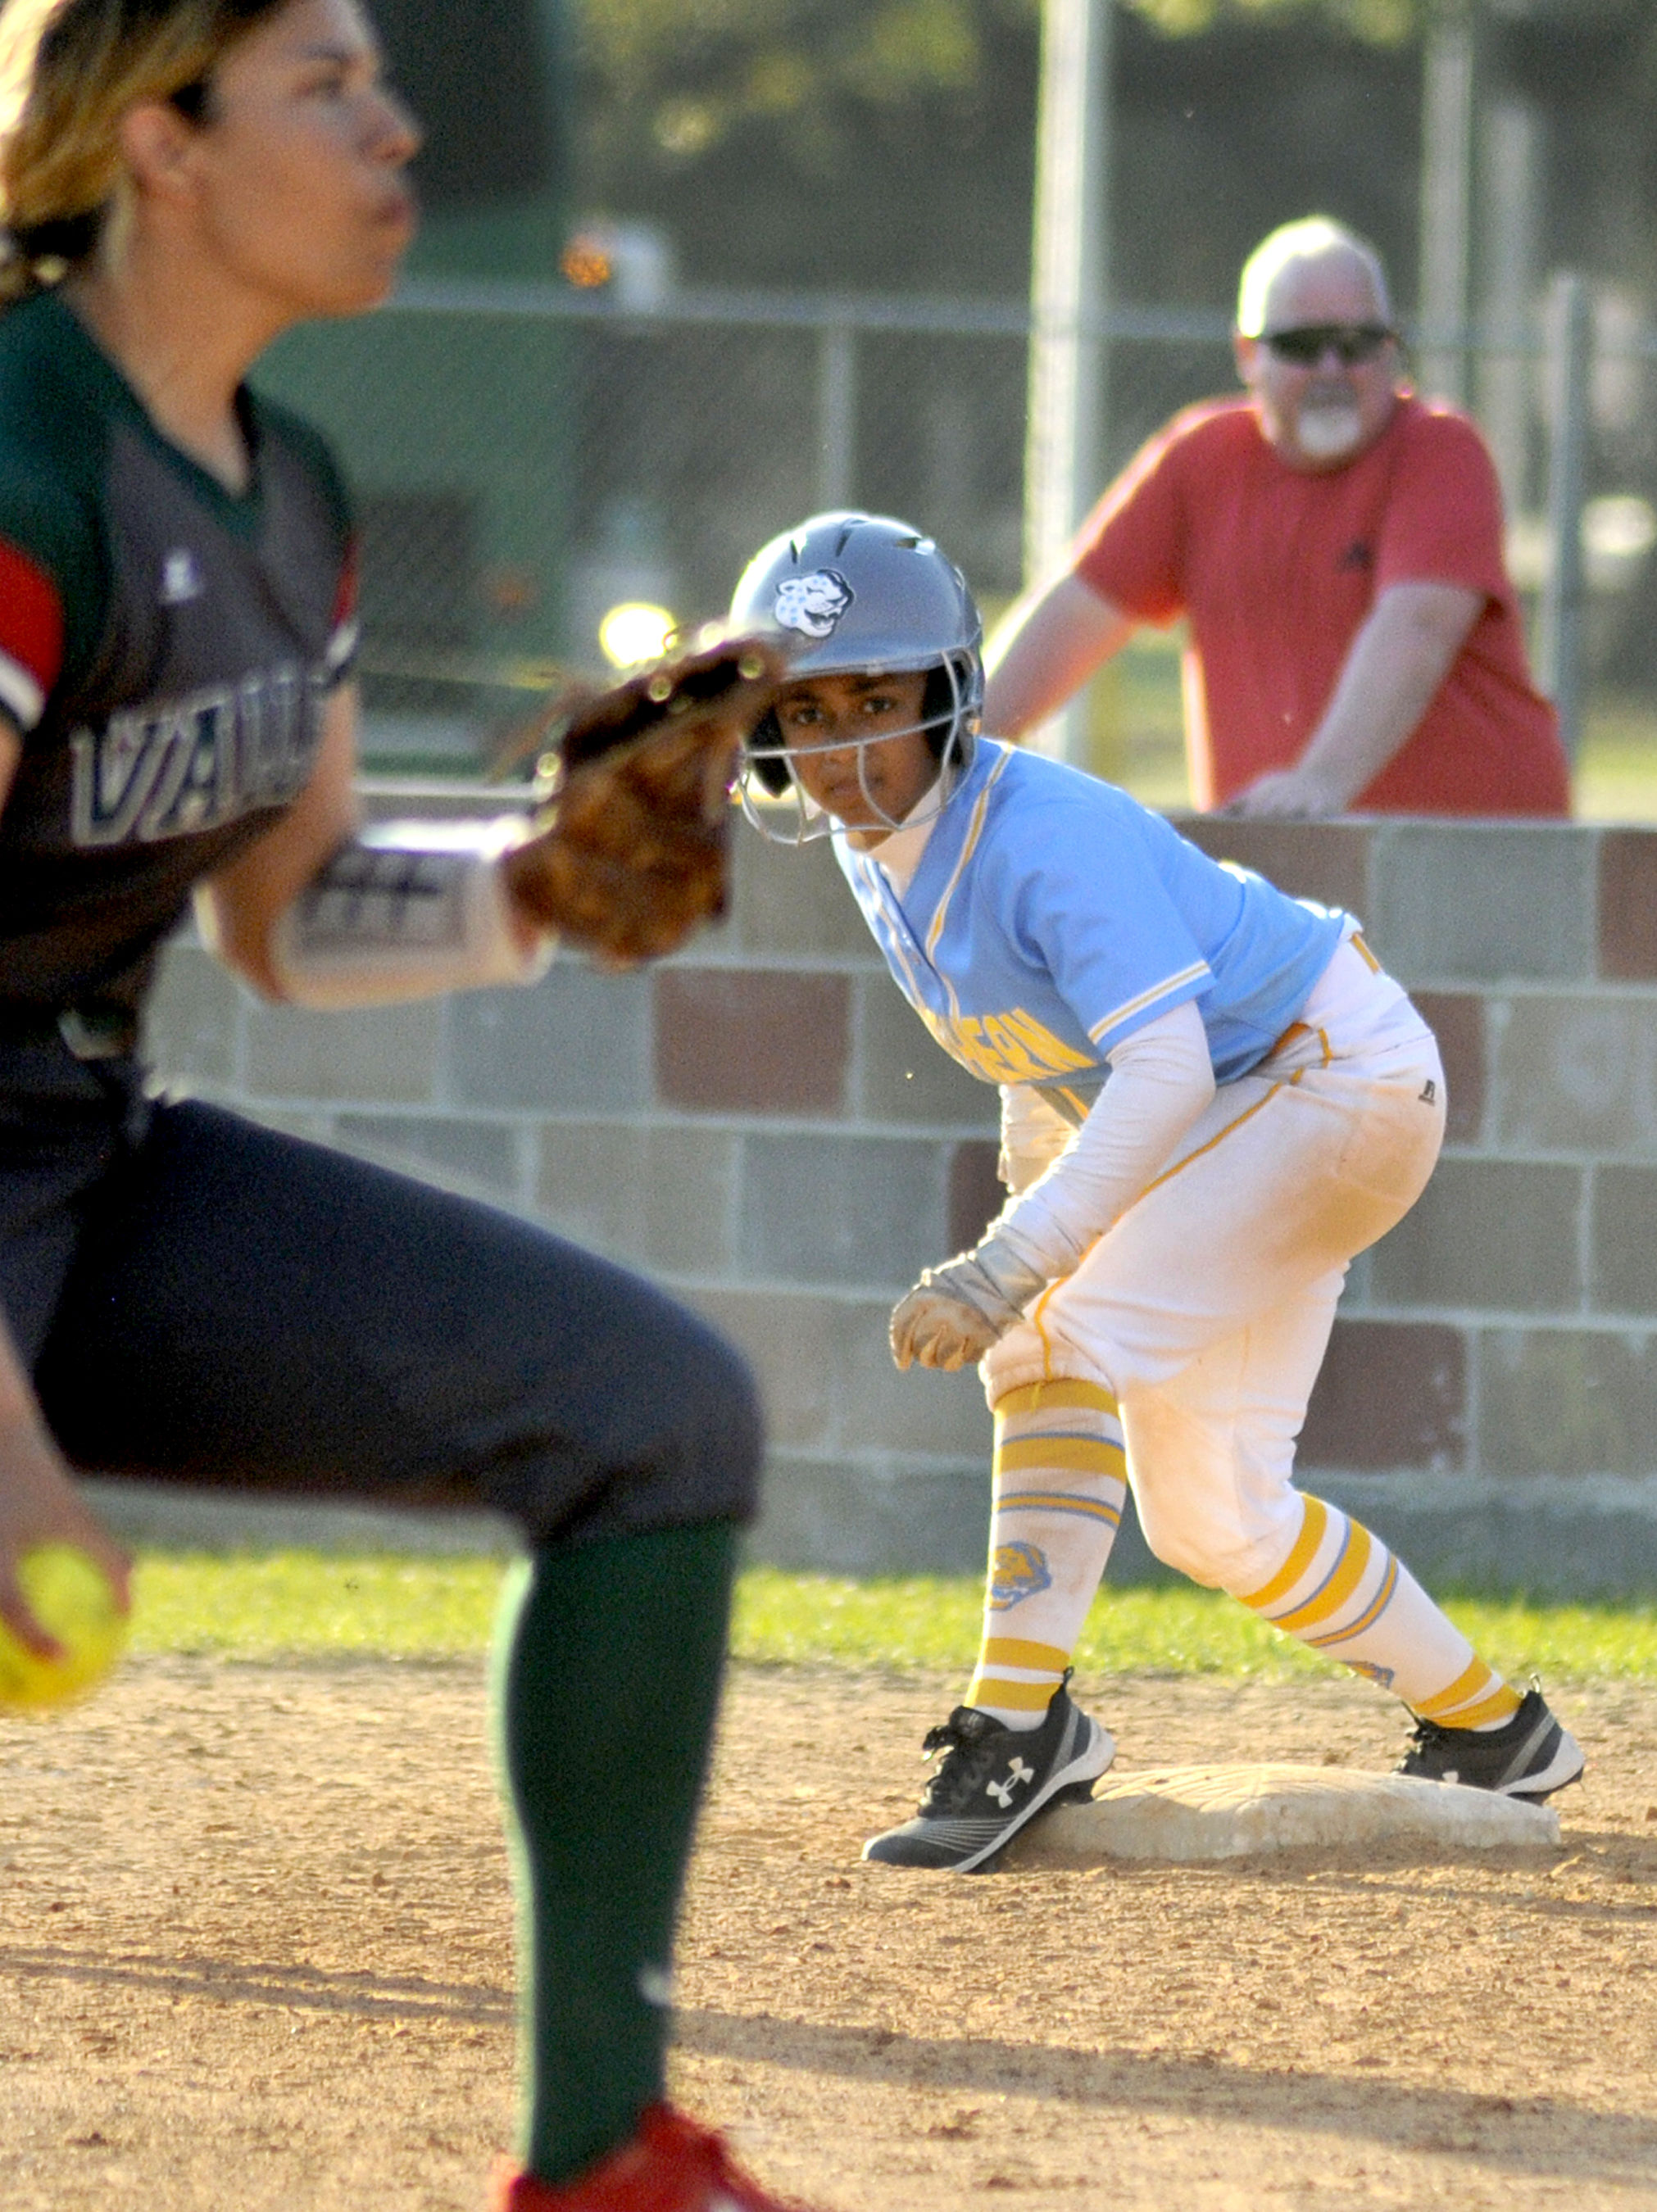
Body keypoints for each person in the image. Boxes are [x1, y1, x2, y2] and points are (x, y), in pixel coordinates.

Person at [0, 3, 821, 2206]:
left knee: (652, 1416)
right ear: (158, 145)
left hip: (78, 1155)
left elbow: (292, 915)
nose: (396, 127)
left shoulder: (289, 493)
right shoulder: (20, 468)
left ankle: (603, 2158)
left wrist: (537, 883)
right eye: (324, 84)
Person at [731, 509, 1583, 1874]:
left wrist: (1014, 1268)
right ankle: (1493, 1728)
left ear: (952, 697)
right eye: (806, 709)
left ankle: (1019, 1727)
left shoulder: (1035, 831)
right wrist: (1028, 1231)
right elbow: (1041, 1065)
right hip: (1270, 1102)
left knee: (1049, 1339)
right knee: (1215, 1518)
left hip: (1324, 1078)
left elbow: (1165, 1064)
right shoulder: (871, 848)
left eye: (876, 702)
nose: (838, 747)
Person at [983, 216, 1570, 820]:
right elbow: (1073, 615)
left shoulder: (1440, 451)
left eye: (1358, 345)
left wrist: (1320, 782)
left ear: (1390, 348)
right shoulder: (1198, 459)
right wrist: (949, 761)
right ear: (1247, 353)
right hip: (1286, 868)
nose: (1332, 371)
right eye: (1300, 347)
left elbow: (1417, 629)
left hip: (1479, 861)